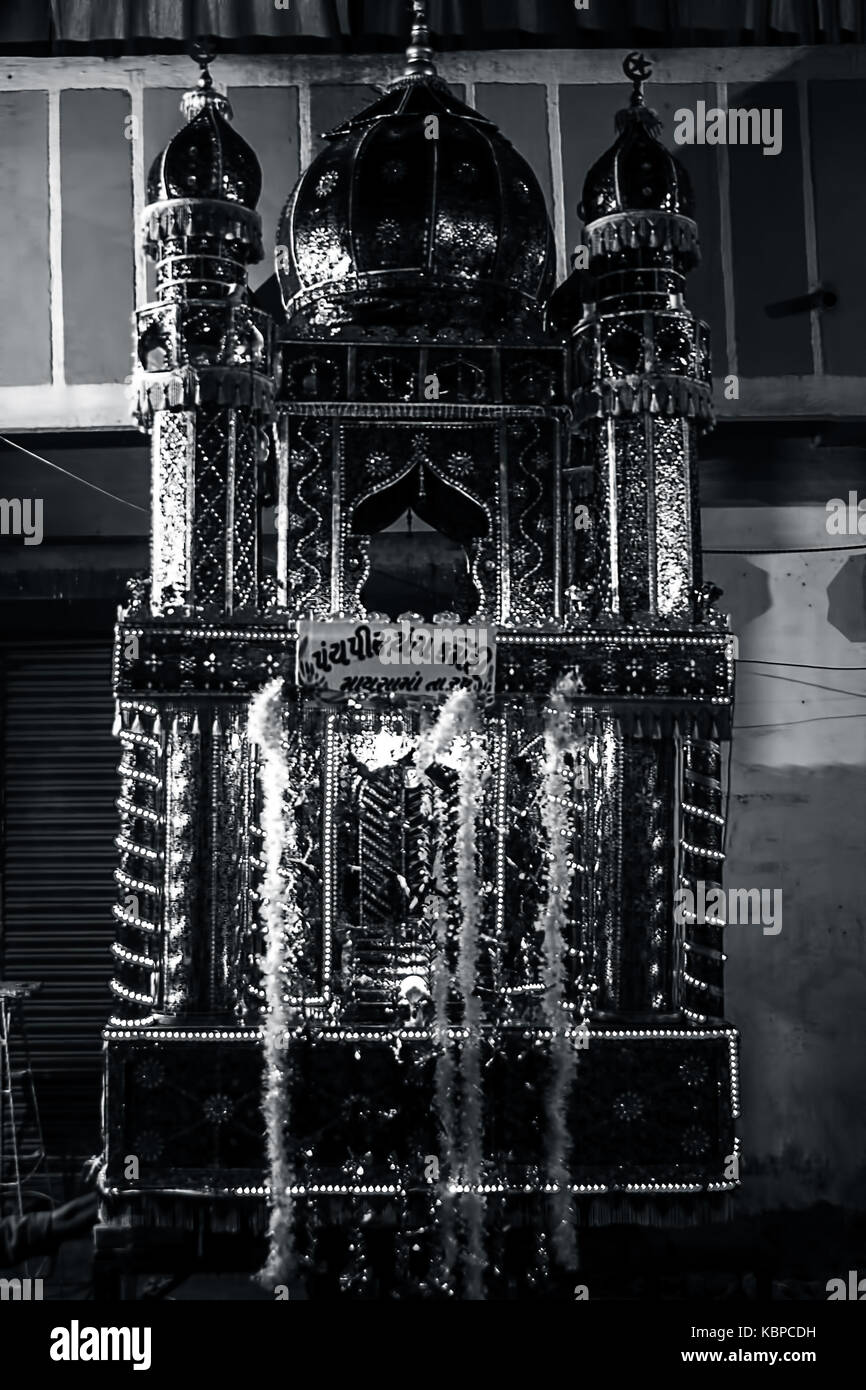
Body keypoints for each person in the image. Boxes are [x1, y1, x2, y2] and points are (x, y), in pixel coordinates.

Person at [0, 1191, 97, 1266]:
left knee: (67, 1224)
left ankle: (102, 1199)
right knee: (63, 1218)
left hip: (21, 1236)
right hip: (19, 1233)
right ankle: (101, 1197)